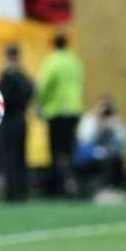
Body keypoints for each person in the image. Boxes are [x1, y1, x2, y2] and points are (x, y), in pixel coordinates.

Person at [38, 33, 84, 197]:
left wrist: (40, 104)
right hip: (74, 110)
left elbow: (44, 86)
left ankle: (60, 187)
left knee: (57, 151)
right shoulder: (74, 61)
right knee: (70, 149)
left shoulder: (53, 61)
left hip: (56, 111)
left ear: (53, 45)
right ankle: (75, 184)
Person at [0, 44, 34, 202]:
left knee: (9, 156)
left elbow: (1, 98)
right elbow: (31, 92)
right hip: (21, 119)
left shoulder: (7, 76)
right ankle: (22, 191)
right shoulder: (23, 76)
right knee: (20, 155)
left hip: (9, 120)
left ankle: (11, 193)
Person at [74, 96, 126, 202]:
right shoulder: (89, 119)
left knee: (116, 159)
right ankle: (101, 191)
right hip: (89, 154)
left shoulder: (114, 121)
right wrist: (98, 124)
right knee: (107, 160)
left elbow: (122, 142)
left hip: (108, 154)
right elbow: (83, 139)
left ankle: (113, 189)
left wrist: (114, 127)